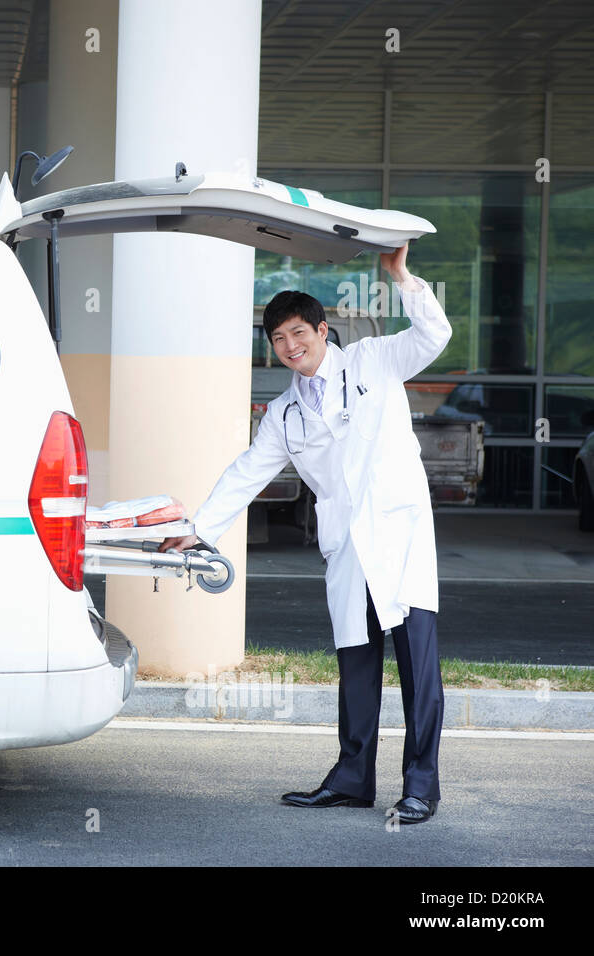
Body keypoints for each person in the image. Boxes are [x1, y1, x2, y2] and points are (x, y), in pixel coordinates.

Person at [160, 243, 450, 825]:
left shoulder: (373, 360)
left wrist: (400, 276)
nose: (292, 349)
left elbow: (433, 336)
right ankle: (351, 779)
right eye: (279, 341)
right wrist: (199, 531)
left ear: (323, 330)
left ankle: (420, 787)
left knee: (419, 669)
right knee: (357, 667)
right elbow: (248, 471)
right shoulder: (285, 414)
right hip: (347, 548)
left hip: (399, 536)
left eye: (300, 334)